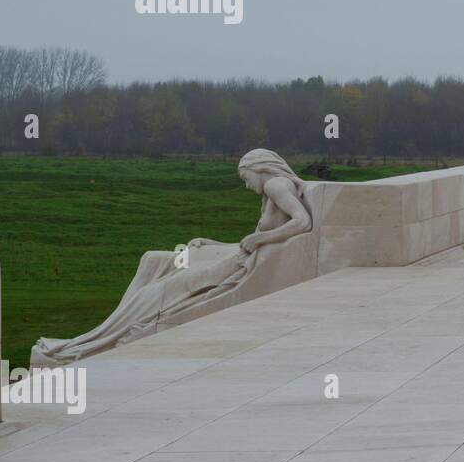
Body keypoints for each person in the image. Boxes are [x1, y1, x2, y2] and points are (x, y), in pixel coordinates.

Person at [30, 149, 312, 367]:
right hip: (237, 254)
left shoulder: (276, 185)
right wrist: (212, 243)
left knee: (157, 291)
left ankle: (99, 340)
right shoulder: (271, 190)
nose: (245, 184)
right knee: (153, 259)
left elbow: (302, 222)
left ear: (258, 168)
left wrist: (258, 239)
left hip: (239, 265)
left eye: (245, 177)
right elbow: (249, 241)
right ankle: (110, 326)